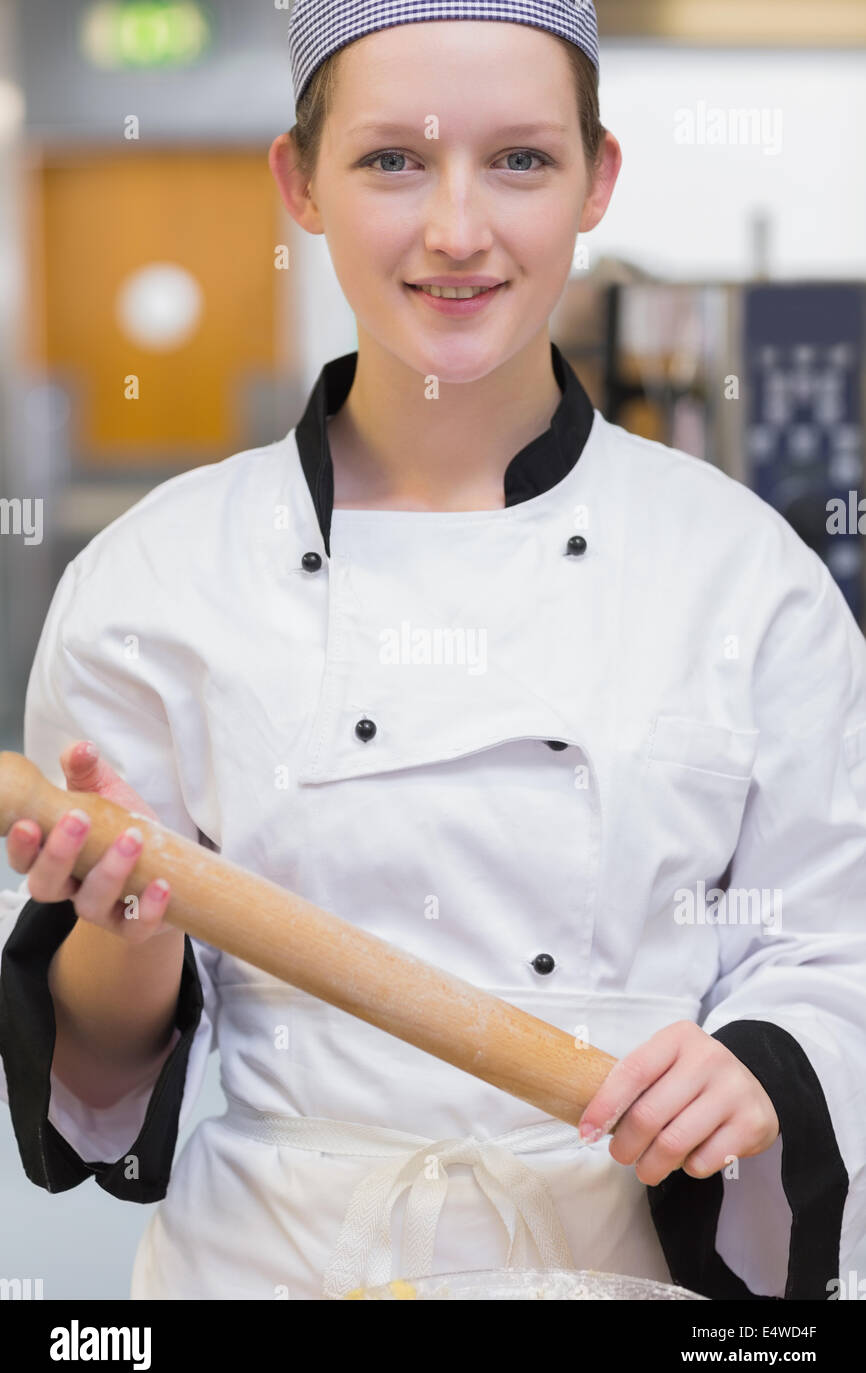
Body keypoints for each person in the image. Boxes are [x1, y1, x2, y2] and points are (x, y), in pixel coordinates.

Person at [1, 0, 865, 1301]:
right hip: (268, 1265)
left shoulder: (743, 575)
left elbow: (830, 944)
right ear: (298, 181)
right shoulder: (154, 581)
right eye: (391, 159)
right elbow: (103, 1075)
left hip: (619, 1268)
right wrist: (124, 930)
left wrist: (757, 1058)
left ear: (596, 179)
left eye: (519, 158)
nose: (456, 229)